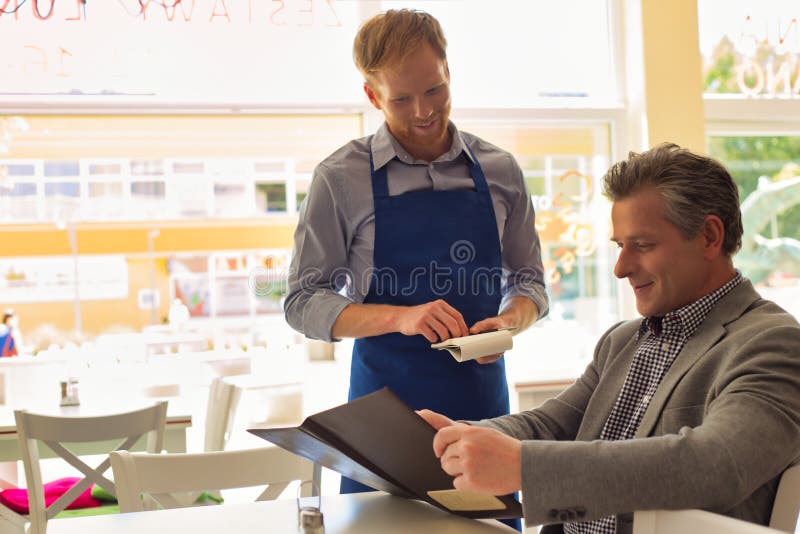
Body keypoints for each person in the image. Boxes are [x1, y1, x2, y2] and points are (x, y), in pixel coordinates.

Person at [419, 143, 800, 533]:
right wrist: (460, 438)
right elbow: (550, 426)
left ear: (709, 236)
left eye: (643, 245)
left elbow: (717, 465)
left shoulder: (773, 343)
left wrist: (522, 466)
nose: (620, 268)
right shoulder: (622, 340)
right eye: (620, 246)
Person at [284, 7, 548, 497]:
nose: (424, 111)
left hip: (483, 420)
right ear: (372, 95)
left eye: (434, 90)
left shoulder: (501, 171)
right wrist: (401, 318)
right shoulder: (340, 178)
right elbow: (301, 301)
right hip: (383, 425)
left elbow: (530, 283)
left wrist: (509, 322)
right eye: (401, 98)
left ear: (449, 72)